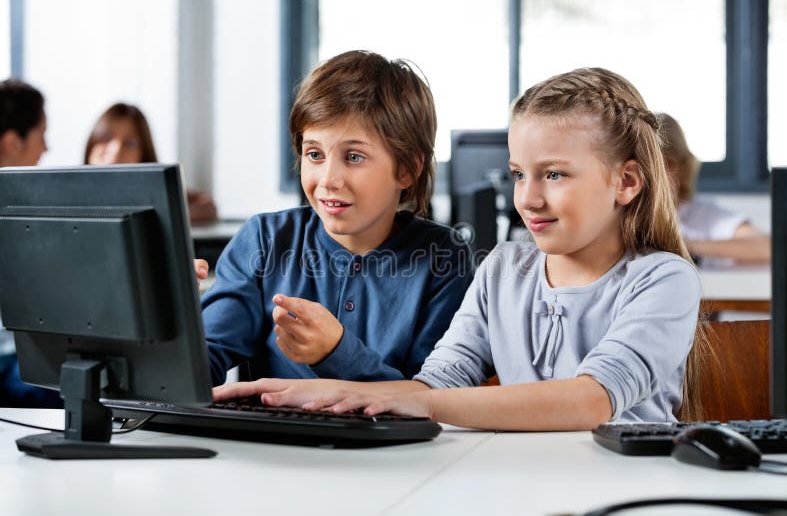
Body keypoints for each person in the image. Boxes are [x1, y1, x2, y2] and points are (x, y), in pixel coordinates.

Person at [214, 67, 710, 430]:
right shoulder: (504, 268)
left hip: (625, 487)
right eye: (519, 174)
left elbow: (590, 402)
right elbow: (437, 384)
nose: (528, 198)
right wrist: (332, 392)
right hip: (521, 483)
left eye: (554, 174)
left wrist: (396, 395)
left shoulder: (664, 278)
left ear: (625, 182)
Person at [200, 50, 473, 386]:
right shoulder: (265, 239)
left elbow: (431, 395)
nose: (328, 179)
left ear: (406, 169)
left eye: (354, 156)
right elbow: (203, 361)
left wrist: (336, 353)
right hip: (269, 439)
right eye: (314, 154)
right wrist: (168, 328)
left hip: (393, 440)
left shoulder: (443, 258)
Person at [0, 78, 62, 407]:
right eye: (42, 135)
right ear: (12, 142)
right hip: (10, 364)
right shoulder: (19, 216)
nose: (46, 148)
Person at [658, 112, 770, 267]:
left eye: (665, 168)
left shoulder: (702, 217)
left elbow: (766, 247)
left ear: (681, 169)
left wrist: (687, 246)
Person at [84, 102, 218, 223]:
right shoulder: (70, 194)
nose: (116, 151)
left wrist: (162, 215)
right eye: (106, 138)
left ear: (144, 154)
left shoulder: (151, 194)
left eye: (130, 143)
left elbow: (206, 204)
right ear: (92, 143)